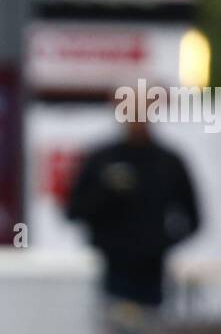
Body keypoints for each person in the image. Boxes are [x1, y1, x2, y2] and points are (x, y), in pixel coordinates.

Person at [66, 105, 201, 307]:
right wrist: (106, 192)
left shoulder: (168, 162)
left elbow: (193, 217)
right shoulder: (102, 159)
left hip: (153, 274)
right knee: (112, 327)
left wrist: (160, 244)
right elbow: (75, 210)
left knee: (151, 330)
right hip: (109, 270)